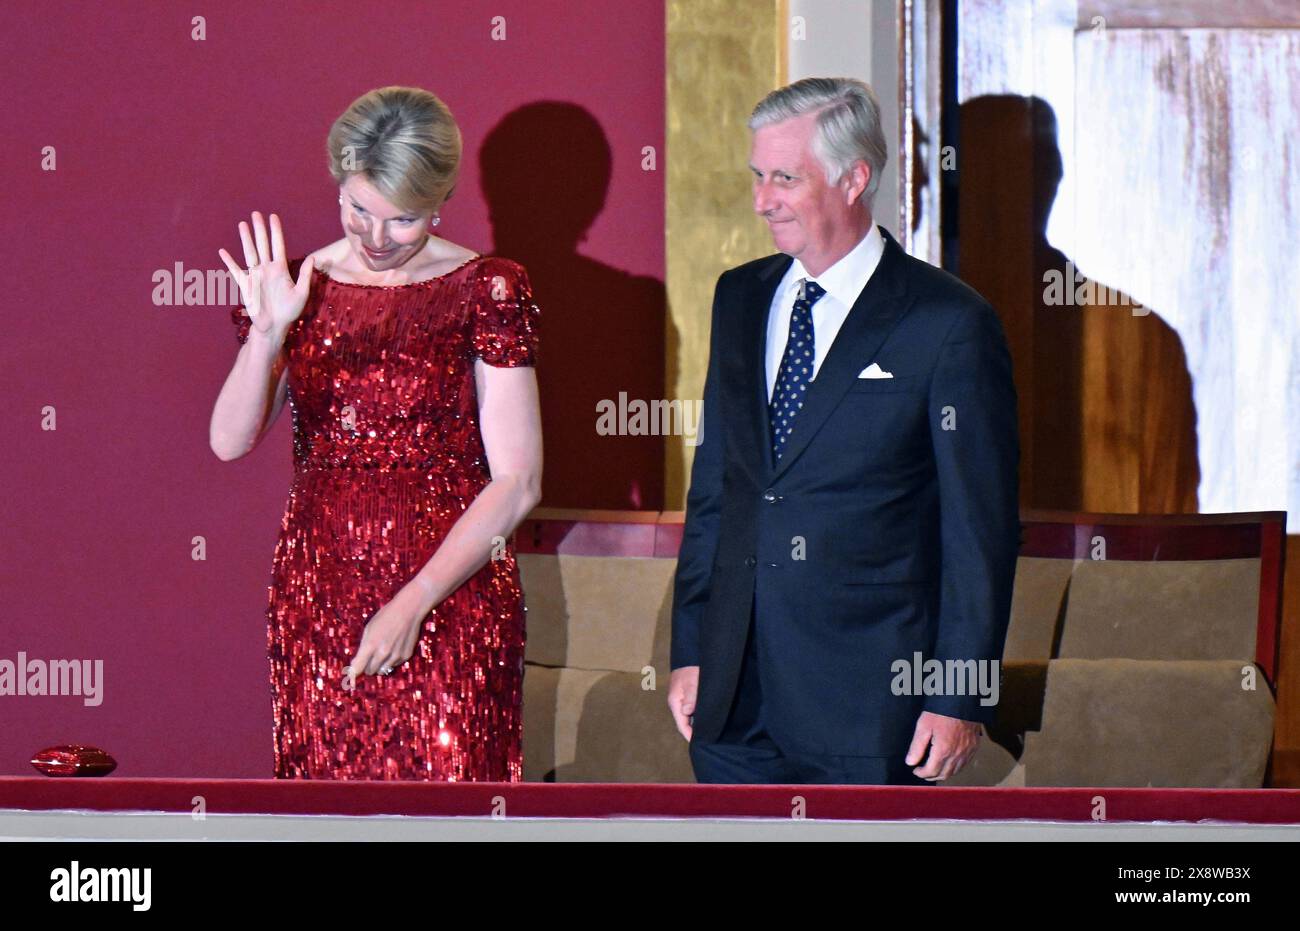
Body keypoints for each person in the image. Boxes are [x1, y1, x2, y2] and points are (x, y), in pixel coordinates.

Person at [667, 77, 1019, 785]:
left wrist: (958, 695)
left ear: (855, 178)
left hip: (870, 703)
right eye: (758, 176)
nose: (763, 199)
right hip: (731, 702)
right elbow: (718, 493)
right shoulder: (739, 295)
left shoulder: (947, 322)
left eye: (785, 178)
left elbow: (980, 531)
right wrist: (692, 649)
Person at [209, 86, 542, 780]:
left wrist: (411, 604)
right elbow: (228, 441)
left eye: (404, 220)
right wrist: (268, 332)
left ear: (441, 201)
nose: (375, 237)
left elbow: (518, 482)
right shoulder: (299, 286)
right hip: (319, 601)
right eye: (359, 208)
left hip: (452, 599)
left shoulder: (487, 287)